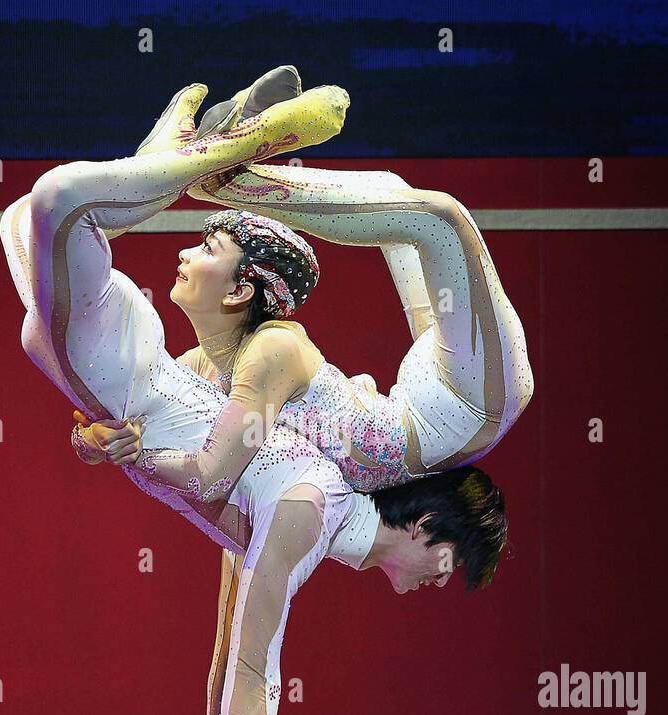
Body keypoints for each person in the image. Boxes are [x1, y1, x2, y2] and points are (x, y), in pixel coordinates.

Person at [1, 78, 508, 715]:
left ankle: (210, 159)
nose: (441, 581)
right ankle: (227, 160)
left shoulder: (301, 478)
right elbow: (249, 645)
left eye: (207, 244)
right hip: (445, 410)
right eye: (449, 564)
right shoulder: (310, 471)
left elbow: (236, 630)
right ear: (430, 525)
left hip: (121, 371)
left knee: (48, 207)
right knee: (433, 219)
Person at [102, 71, 533, 509]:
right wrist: (111, 439)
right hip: (474, 407)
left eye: (207, 247)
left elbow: (189, 460)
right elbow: (183, 453)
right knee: (436, 217)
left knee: (397, 196)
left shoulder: (233, 358)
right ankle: (219, 178)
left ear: (239, 293)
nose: (184, 255)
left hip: (426, 396)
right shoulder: (239, 359)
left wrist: (118, 444)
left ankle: (218, 172)